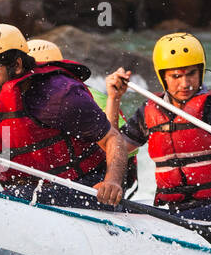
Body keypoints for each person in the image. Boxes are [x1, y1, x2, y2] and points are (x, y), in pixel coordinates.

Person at [108, 32, 211, 222]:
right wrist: (114, 99)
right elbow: (114, 148)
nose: (185, 84)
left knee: (164, 222)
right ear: (163, 77)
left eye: (191, 74)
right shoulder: (149, 111)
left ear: (201, 71)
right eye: (176, 76)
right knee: (118, 214)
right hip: (179, 210)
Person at [0, 24, 127, 208]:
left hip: (88, 185)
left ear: (16, 65)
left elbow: (113, 138)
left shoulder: (58, 95)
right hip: (32, 191)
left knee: (15, 196)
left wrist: (113, 182)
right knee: (15, 194)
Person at [25, 38, 138, 197]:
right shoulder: (21, 102)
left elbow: (119, 146)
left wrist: (114, 99)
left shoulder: (84, 99)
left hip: (106, 178)